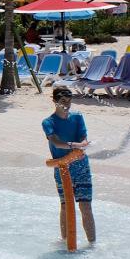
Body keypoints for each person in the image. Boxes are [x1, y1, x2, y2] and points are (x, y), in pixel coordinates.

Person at [42, 87, 96, 245]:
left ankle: (92, 244)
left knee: (85, 206)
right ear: (54, 101)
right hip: (63, 169)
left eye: (69, 101)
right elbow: (56, 142)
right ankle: (65, 242)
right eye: (63, 101)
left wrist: (83, 143)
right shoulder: (48, 122)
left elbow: (83, 138)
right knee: (66, 206)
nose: (67, 105)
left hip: (81, 167)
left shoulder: (78, 117)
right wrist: (75, 145)